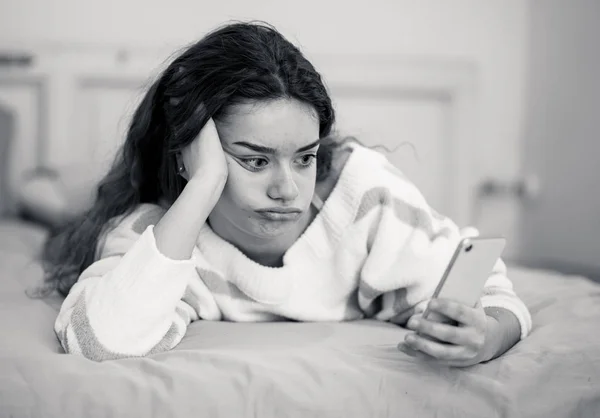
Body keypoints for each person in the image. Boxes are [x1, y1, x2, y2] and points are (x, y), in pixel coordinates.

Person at [42, 21, 532, 365]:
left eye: (304, 157)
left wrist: (489, 335)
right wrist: (205, 185)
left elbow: (491, 291)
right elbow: (98, 342)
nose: (286, 190)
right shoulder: (164, 232)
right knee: (66, 207)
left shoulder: (367, 198)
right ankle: (39, 192)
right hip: (155, 191)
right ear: (191, 156)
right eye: (255, 161)